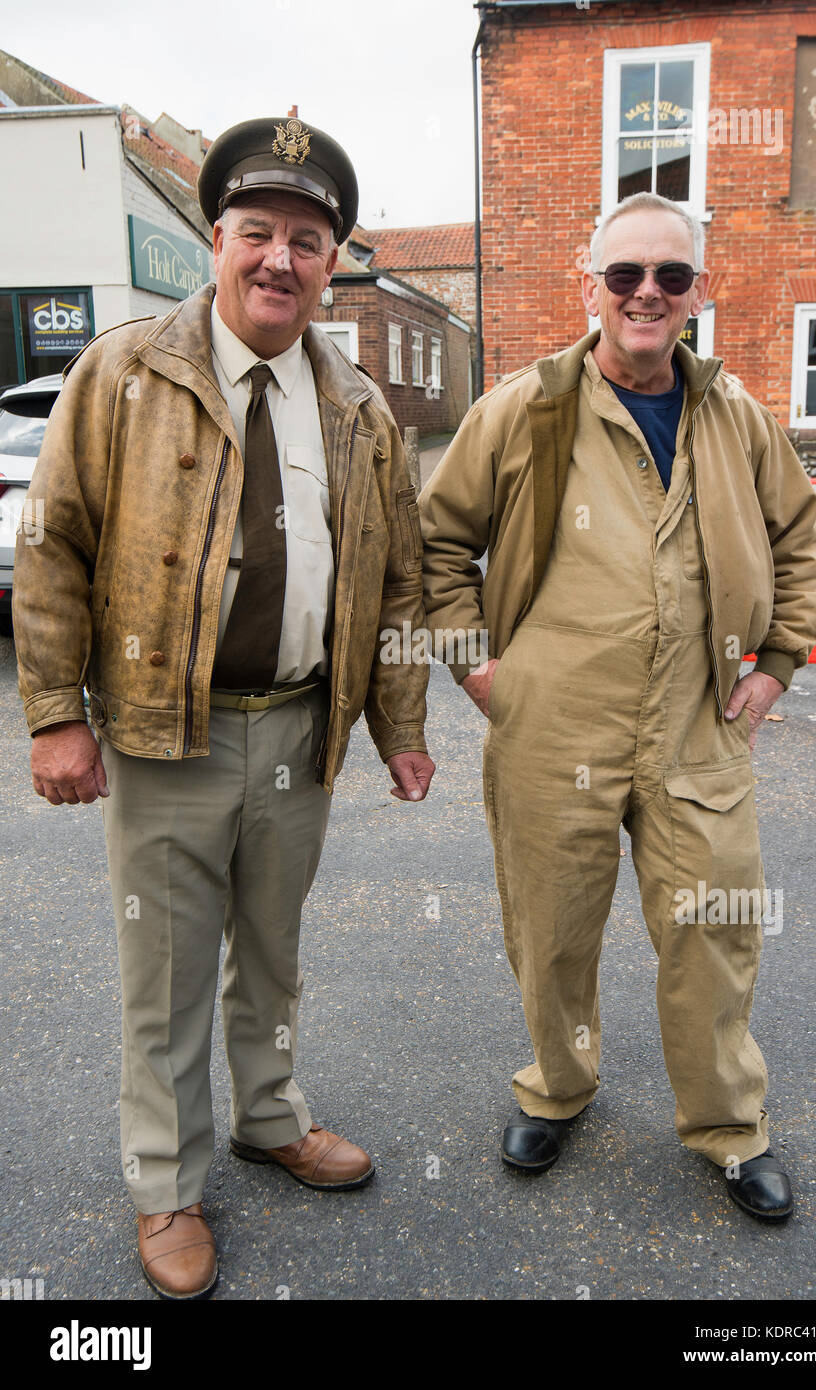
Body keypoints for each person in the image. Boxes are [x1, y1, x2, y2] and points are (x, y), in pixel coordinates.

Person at [13, 115, 434, 1298]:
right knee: (166, 972)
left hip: (301, 728)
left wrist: (399, 728)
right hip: (163, 738)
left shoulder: (356, 405)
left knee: (275, 956)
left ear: (332, 262)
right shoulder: (124, 370)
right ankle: (166, 1184)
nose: (279, 260)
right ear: (215, 239)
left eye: (308, 240)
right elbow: (51, 545)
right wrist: (55, 712)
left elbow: (396, 574)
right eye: (258, 232)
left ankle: (269, 1115)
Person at [419, 191, 816, 1222]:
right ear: (588, 285)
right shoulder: (524, 408)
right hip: (553, 721)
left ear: (698, 291)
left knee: (713, 926)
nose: (646, 293)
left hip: (699, 722)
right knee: (550, 928)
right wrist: (477, 671)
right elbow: (434, 546)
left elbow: (796, 537)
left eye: (669, 275)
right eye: (625, 274)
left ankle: (729, 1125)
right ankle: (557, 1086)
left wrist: (775, 662)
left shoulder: (737, 418)